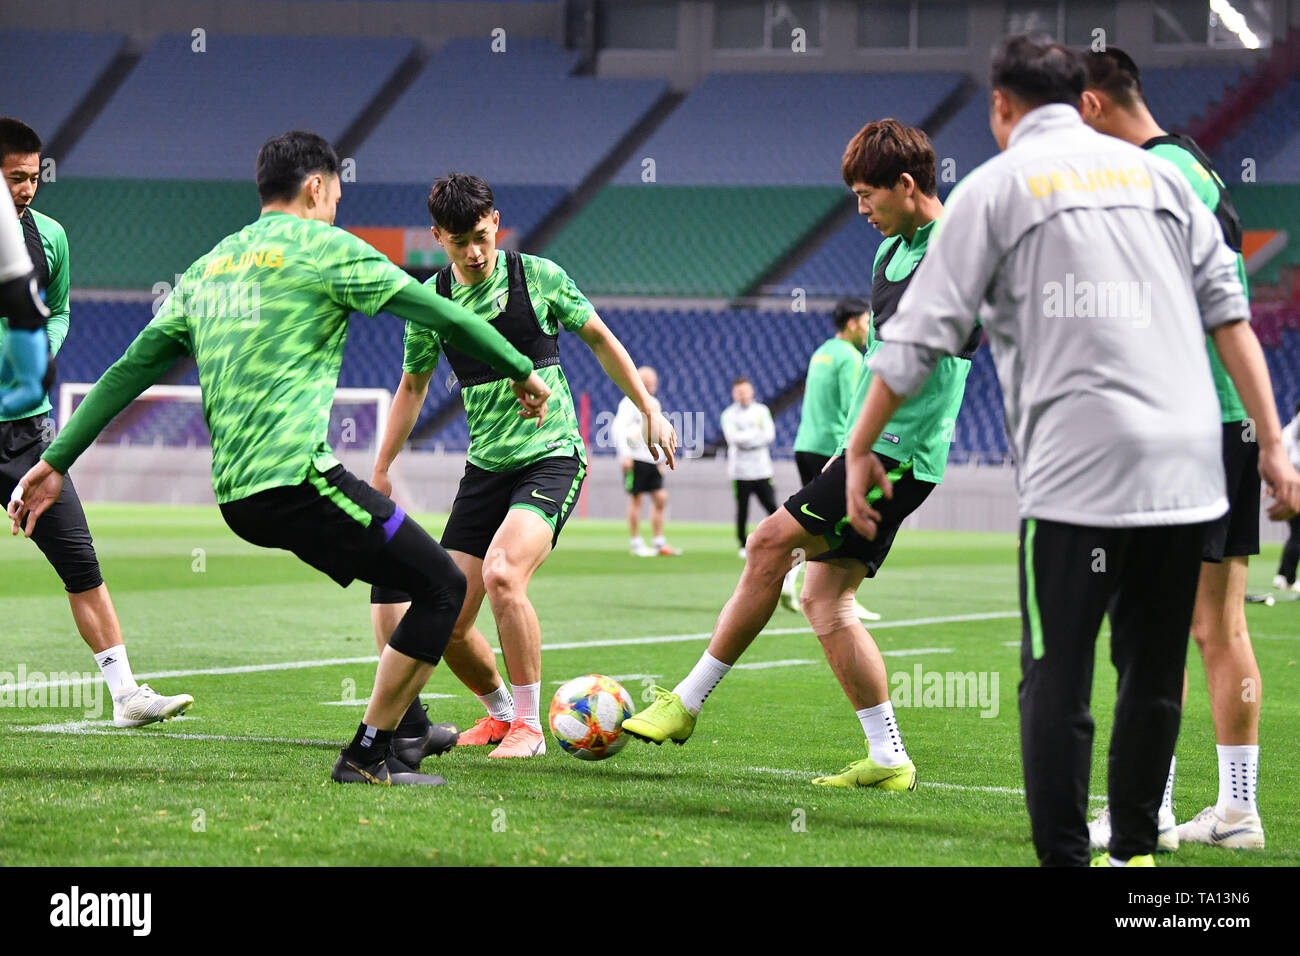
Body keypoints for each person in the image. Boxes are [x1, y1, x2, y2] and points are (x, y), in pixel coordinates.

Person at [841, 36, 1300, 866]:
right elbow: (1233, 318)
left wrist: (862, 444)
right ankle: (1134, 853)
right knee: (1153, 670)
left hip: (1074, 480)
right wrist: (1274, 446)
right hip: (1188, 471)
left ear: (1002, 106)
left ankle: (1064, 854)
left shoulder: (993, 190)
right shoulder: (1166, 177)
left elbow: (912, 342)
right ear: (1079, 98)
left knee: (1058, 675)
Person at [8, 131, 553, 786]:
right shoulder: (324, 249)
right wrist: (522, 368)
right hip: (298, 479)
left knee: (400, 571)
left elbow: (127, 372)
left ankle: (408, 725)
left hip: (240, 499)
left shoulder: (209, 267)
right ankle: (367, 755)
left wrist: (56, 460)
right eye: (336, 196)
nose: (335, 209)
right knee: (443, 584)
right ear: (317, 187)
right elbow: (443, 315)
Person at [623, 118, 976, 795]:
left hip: (896, 454)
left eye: (868, 194)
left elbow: (929, 359)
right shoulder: (890, 256)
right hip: (874, 448)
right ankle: (888, 756)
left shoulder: (954, 251)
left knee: (765, 545)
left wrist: (866, 448)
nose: (861, 210)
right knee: (825, 600)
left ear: (908, 185)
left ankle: (686, 705)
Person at [369, 173, 675, 759]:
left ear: (496, 223)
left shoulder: (539, 276)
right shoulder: (430, 303)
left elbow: (601, 339)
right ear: (437, 236)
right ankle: (502, 713)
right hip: (485, 470)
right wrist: (384, 466)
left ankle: (532, 728)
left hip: (552, 456)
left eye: (482, 236)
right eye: (459, 242)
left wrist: (649, 407)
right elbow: (412, 386)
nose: (475, 252)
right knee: (446, 612)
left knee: (504, 573)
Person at [1080, 47, 1271, 852]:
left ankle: (1148, 811)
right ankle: (1234, 811)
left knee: (1155, 628)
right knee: (1216, 625)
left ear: (1090, 106)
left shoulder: (1157, 178)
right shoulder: (1195, 167)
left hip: (1188, 423)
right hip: (1228, 422)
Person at [0, 117, 193, 727]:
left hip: (27, 433)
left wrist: (44, 351)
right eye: (14, 178)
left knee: (79, 562)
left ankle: (126, 695)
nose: (27, 188)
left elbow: (56, 311)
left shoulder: (50, 237)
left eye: (33, 177)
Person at [782, 298, 877, 619]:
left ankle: (795, 577)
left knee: (812, 521)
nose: (868, 330)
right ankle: (831, 591)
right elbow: (855, 405)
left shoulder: (821, 352)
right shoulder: (850, 358)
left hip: (805, 443)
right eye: (865, 323)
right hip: (831, 447)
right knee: (839, 525)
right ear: (851, 323)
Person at [613, 365, 680, 557]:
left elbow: (656, 432)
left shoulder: (655, 404)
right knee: (637, 499)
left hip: (651, 459)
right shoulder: (628, 403)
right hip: (635, 458)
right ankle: (636, 542)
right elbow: (618, 429)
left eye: (653, 382)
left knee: (660, 498)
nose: (651, 385)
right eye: (647, 382)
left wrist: (660, 460)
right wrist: (624, 455)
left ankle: (659, 542)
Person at [720, 377, 776, 558]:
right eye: (739, 392)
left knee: (773, 508)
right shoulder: (728, 414)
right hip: (740, 472)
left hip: (762, 469)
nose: (743, 395)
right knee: (742, 509)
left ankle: (778, 538)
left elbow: (769, 435)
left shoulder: (762, 411)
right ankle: (742, 544)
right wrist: (755, 434)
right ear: (734, 394)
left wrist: (745, 437)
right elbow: (732, 439)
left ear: (752, 391)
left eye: (745, 391)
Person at [1276, 401, 1300, 593]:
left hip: (1289, 486)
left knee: (1296, 534)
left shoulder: (1287, 431)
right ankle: (1286, 576)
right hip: (1295, 485)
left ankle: (1285, 575)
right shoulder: (1293, 432)